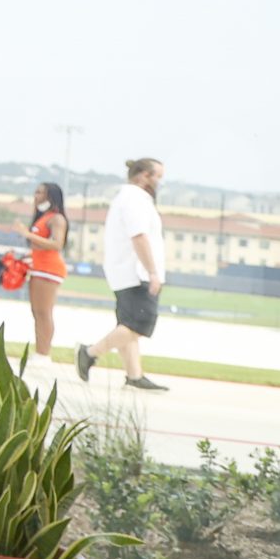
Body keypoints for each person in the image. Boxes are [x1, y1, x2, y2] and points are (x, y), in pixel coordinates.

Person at [77, 158, 169, 392]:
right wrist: (152, 272)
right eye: (158, 176)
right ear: (144, 175)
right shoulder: (134, 200)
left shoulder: (129, 198)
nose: (160, 182)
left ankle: (134, 376)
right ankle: (90, 352)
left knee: (127, 325)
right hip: (136, 273)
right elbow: (139, 237)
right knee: (138, 325)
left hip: (126, 271)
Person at [24, 180, 69, 361]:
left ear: (50, 196)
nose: (36, 196)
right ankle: (39, 350)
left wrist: (28, 235)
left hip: (49, 269)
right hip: (38, 267)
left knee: (44, 312)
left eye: (40, 192)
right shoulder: (43, 217)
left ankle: (44, 354)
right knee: (36, 311)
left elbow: (57, 244)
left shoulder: (56, 218)